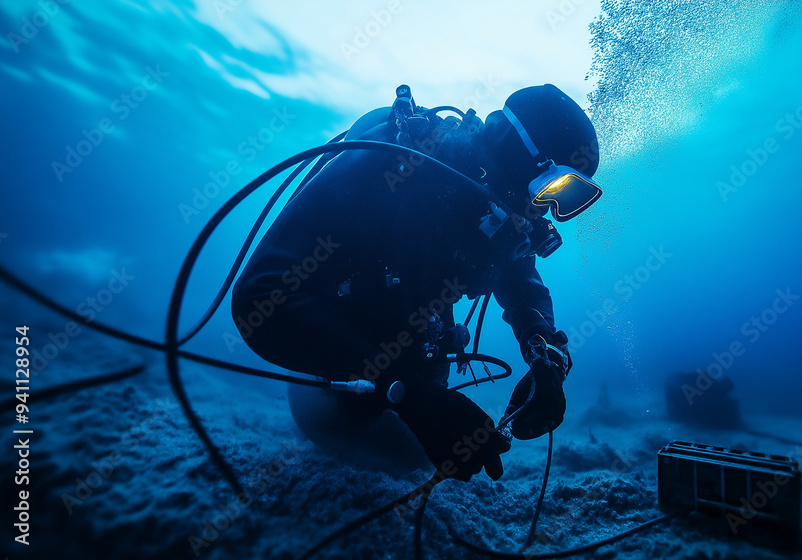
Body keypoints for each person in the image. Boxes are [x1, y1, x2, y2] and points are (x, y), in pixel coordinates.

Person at [231, 83, 601, 482]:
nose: (550, 210)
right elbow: (259, 296)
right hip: (331, 381)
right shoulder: (391, 168)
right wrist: (407, 393)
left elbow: (522, 279)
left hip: (412, 374)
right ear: (520, 153)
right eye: (556, 187)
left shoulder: (500, 217)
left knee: (407, 460)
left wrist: (546, 355)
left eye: (571, 198)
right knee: (383, 453)